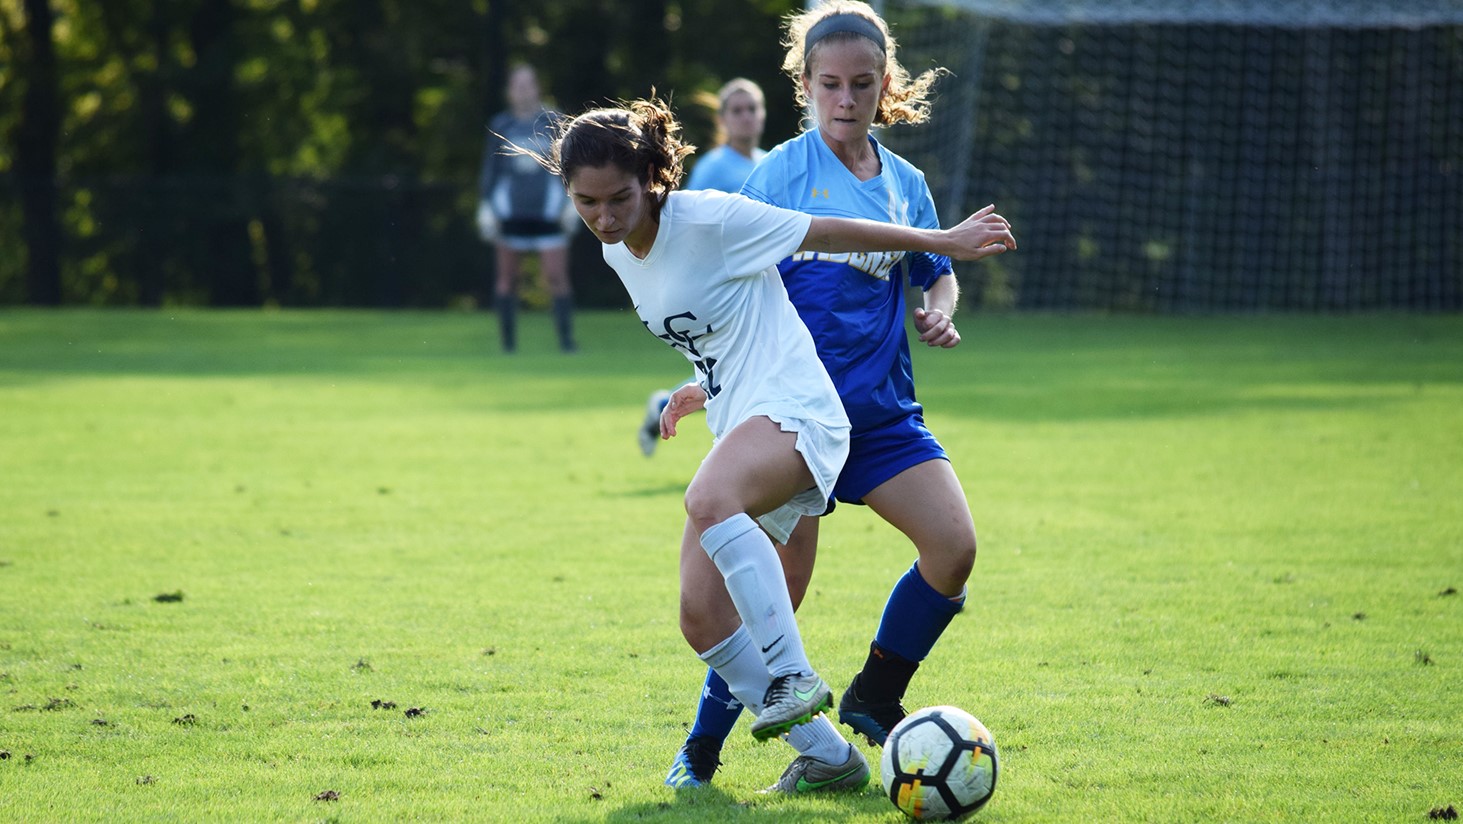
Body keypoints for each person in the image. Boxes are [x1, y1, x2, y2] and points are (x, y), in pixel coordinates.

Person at [509, 95, 1013, 794]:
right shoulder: (614, 247)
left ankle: (792, 676)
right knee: (701, 617)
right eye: (586, 201)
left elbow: (831, 230)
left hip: (800, 409)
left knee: (708, 499)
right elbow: (721, 323)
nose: (603, 216)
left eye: (618, 197)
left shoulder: (710, 218)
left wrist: (942, 243)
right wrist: (700, 384)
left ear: (654, 176)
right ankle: (831, 757)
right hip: (744, 414)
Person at [661, 0, 1016, 789]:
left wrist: (938, 311)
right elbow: (733, 293)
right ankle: (702, 752)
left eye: (861, 84)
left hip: (883, 415)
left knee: (953, 548)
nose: (846, 99)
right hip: (793, 420)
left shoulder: (906, 183)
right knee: (773, 600)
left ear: (884, 84)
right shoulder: (782, 173)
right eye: (829, 84)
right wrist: (703, 379)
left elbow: (936, 268)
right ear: (805, 86)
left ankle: (872, 698)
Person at [638, 78, 769, 457]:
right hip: (723, 285)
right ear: (723, 118)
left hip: (763, 280)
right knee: (741, 367)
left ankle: (670, 406)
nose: (746, 117)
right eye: (737, 110)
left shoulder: (769, 163)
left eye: (753, 109)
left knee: (745, 366)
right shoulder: (713, 168)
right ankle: (740, 457)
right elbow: (686, 226)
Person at [477, 64, 578, 353]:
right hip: (510, 215)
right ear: (510, 91)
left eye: (528, 84)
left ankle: (567, 342)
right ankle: (508, 345)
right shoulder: (501, 125)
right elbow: (490, 168)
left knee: (557, 278)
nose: (523, 91)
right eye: (517, 86)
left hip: (549, 214)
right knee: (507, 280)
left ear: (537, 87)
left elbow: (569, 164)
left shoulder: (553, 121)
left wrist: (572, 202)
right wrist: (485, 206)